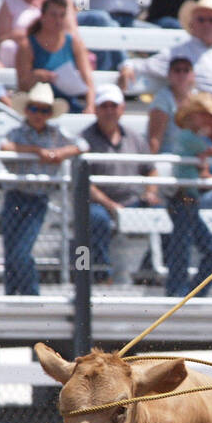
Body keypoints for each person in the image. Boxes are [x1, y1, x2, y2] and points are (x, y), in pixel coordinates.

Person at [0, 83, 83, 295]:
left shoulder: (57, 134)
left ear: (50, 114)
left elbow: (81, 145)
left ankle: (30, 295)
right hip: (15, 196)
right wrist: (39, 151)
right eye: (35, 109)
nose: (39, 114)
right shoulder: (16, 132)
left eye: (44, 110)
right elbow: (4, 146)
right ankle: (14, 296)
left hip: (37, 199)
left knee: (20, 251)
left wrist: (58, 153)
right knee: (12, 252)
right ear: (27, 110)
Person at [80, 83, 159, 283]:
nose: (109, 111)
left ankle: (149, 270)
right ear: (96, 109)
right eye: (104, 106)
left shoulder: (135, 138)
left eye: (113, 106)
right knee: (96, 219)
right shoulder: (84, 139)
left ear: (122, 109)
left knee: (165, 214)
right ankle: (102, 275)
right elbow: (82, 181)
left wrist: (150, 192)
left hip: (132, 200)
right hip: (96, 203)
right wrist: (110, 204)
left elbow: (151, 169)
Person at [122, 0, 212, 102]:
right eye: (201, 20)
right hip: (211, 116)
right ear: (192, 24)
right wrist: (127, 66)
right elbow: (142, 65)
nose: (206, 24)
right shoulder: (179, 53)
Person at [162, 90, 212, 297]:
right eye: (203, 113)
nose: (207, 119)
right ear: (193, 115)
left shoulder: (190, 138)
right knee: (185, 248)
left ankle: (186, 293)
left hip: (187, 200)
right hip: (184, 200)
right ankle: (182, 293)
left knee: (191, 248)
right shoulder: (190, 138)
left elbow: (211, 158)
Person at [17, 0, 96, 113]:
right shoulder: (27, 45)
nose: (58, 20)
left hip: (68, 103)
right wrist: (36, 76)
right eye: (53, 15)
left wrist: (90, 105)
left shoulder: (74, 42)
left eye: (62, 15)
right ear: (42, 16)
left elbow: (87, 78)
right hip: (38, 106)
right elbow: (22, 86)